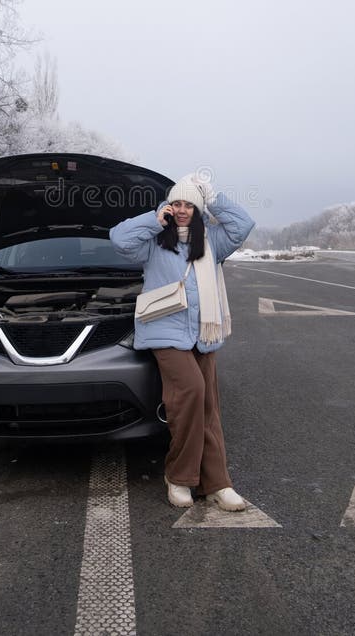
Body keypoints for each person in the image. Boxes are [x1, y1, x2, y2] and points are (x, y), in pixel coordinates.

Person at [109, 173, 255, 510]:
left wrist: (214, 198)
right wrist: (153, 218)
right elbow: (119, 240)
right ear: (169, 206)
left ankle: (217, 483)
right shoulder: (154, 240)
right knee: (191, 390)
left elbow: (243, 225)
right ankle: (178, 476)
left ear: (198, 209)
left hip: (203, 333)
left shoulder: (212, 241)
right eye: (177, 203)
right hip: (165, 330)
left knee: (208, 406)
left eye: (189, 204)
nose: (182, 209)